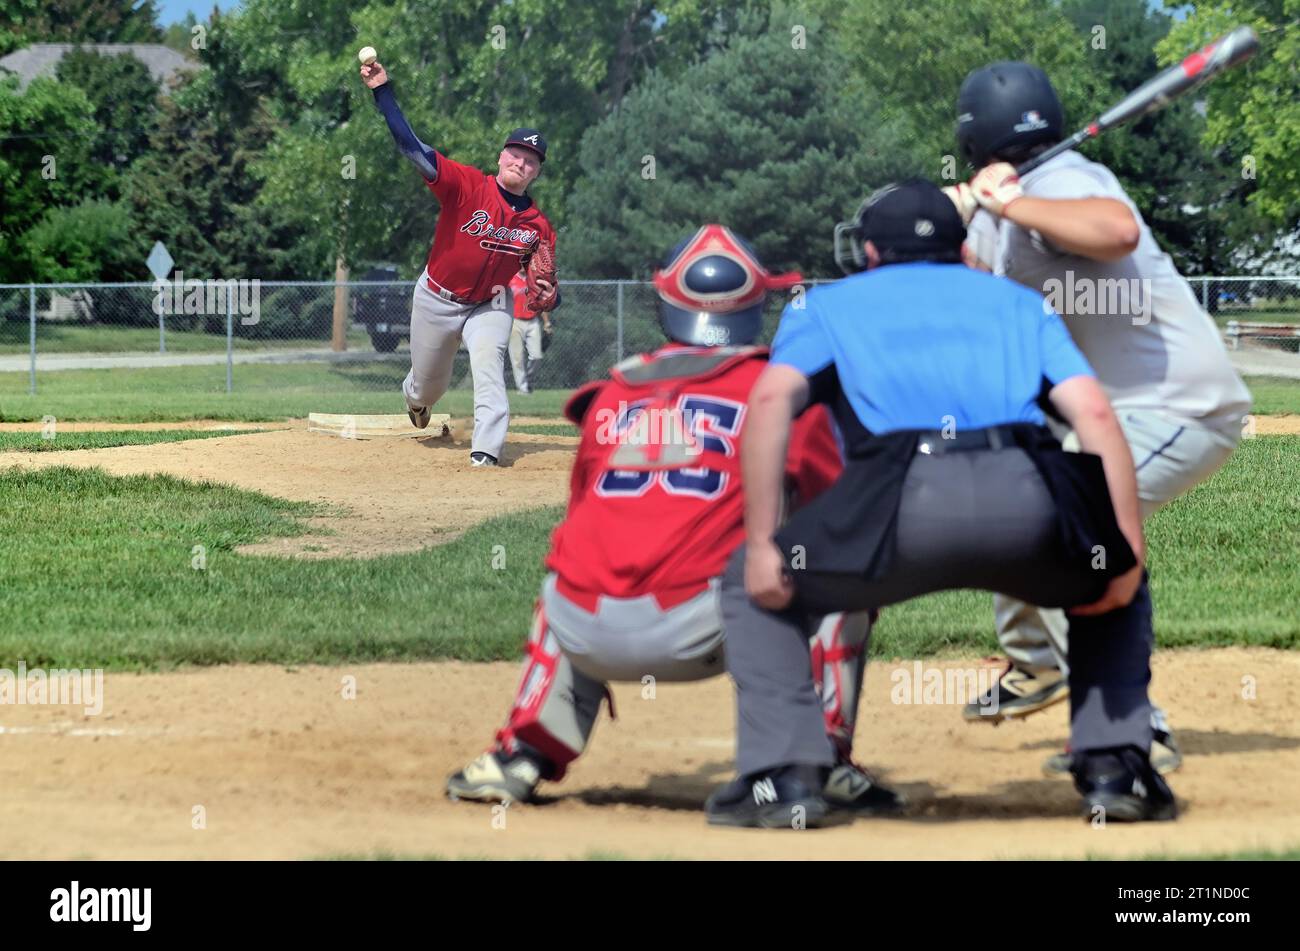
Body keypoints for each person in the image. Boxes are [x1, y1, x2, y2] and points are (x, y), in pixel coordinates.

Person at [708, 179, 1175, 829]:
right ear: (960, 249)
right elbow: (1093, 412)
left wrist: (764, 542)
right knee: (1109, 582)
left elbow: (768, 404)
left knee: (750, 581)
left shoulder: (825, 304)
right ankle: (1114, 769)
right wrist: (1123, 548)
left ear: (869, 251)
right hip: (1028, 496)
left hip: (895, 507)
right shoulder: (1015, 300)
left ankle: (785, 776)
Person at [446, 225, 900, 815]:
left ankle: (519, 755)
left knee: (578, 557)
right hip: (708, 629)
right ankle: (821, 760)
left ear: (666, 304)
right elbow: (836, 506)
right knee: (838, 572)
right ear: (755, 306)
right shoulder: (776, 391)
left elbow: (583, 502)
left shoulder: (610, 393)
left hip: (582, 632)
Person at [946, 62, 1250, 774]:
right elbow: (985, 307)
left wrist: (1012, 204)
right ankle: (1039, 663)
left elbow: (1112, 232)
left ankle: (1132, 727)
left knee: (1060, 523)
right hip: (1111, 417)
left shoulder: (1064, 181)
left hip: (1179, 407)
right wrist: (952, 226)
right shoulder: (1006, 209)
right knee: (1009, 489)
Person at [361, 55, 560, 467]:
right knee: (427, 386)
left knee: (490, 362)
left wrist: (549, 296)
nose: (521, 163)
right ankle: (416, 400)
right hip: (436, 298)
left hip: (490, 303)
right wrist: (383, 91)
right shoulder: (465, 185)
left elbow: (545, 287)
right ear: (502, 156)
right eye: (516, 154)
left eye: (531, 161)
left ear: (537, 172)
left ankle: (485, 452)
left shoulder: (537, 225)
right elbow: (410, 147)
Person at [507, 267, 551, 394]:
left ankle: (529, 383)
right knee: (517, 357)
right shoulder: (510, 279)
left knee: (536, 355)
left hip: (533, 321)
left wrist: (547, 322)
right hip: (515, 321)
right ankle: (522, 388)